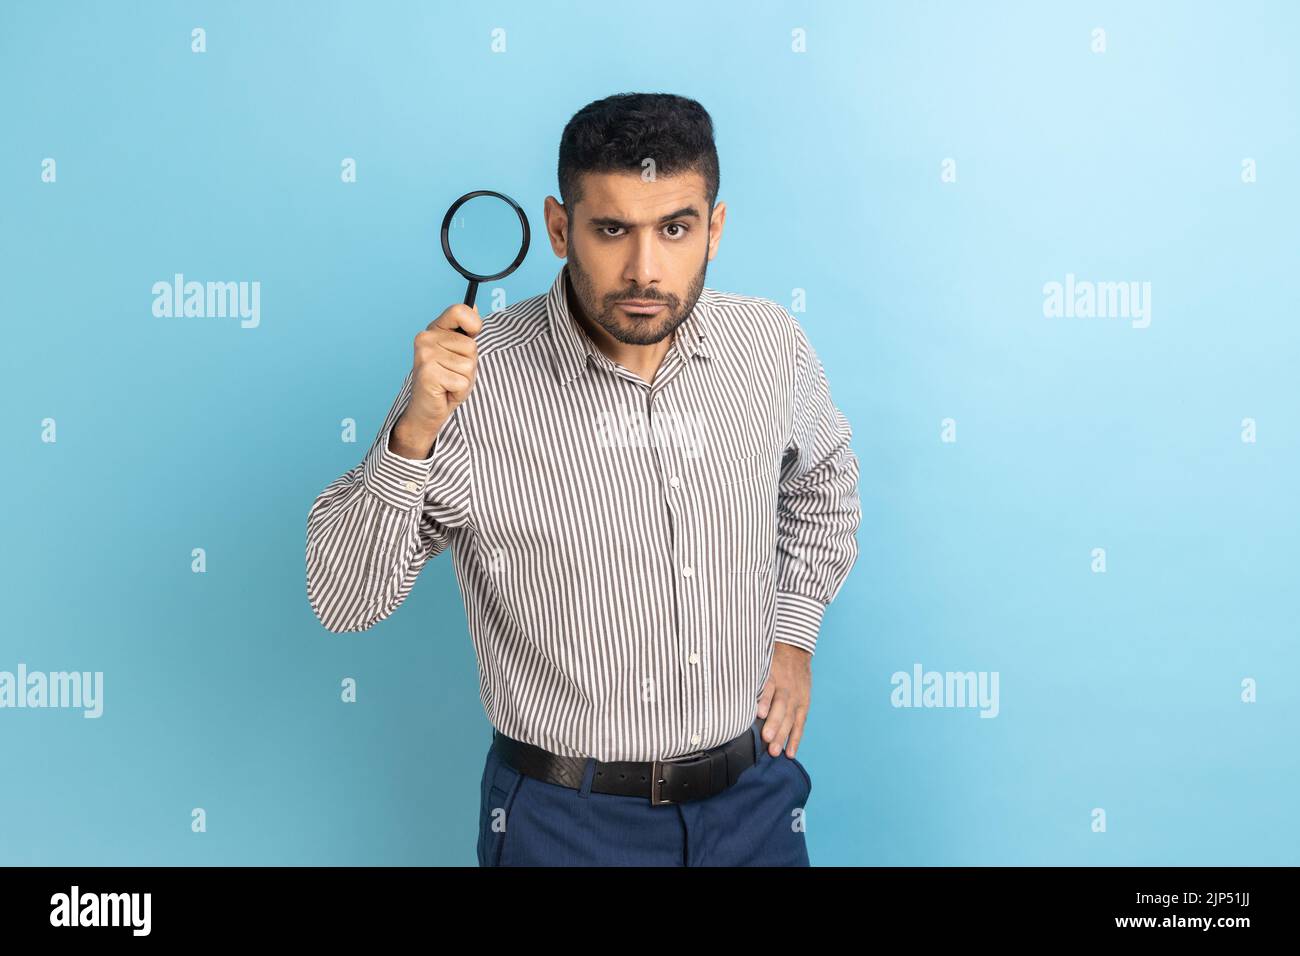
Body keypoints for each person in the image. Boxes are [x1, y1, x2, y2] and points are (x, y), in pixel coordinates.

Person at [306, 92, 862, 866]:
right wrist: (413, 436)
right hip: (566, 825)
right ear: (561, 229)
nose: (645, 269)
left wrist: (794, 634)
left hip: (754, 806)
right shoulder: (472, 382)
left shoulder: (769, 346)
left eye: (675, 228)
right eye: (611, 230)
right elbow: (344, 600)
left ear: (715, 228)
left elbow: (822, 486)